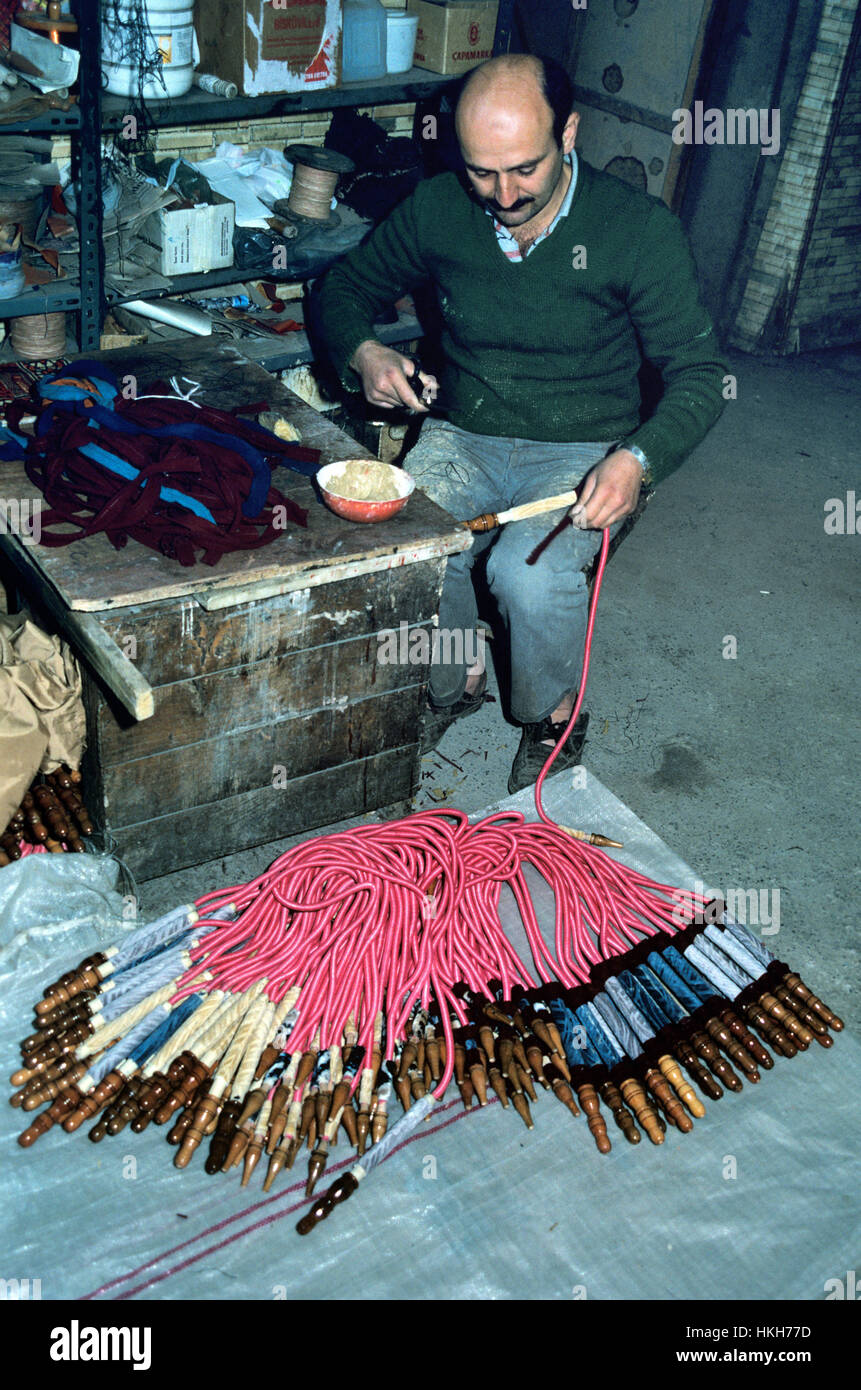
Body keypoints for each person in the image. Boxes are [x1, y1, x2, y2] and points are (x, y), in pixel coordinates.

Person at [318, 53, 726, 794]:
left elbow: (701, 375)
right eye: (481, 171)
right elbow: (343, 288)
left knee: (524, 574)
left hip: (583, 447)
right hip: (463, 432)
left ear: (568, 132)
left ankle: (554, 717)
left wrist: (637, 459)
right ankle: (453, 683)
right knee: (407, 541)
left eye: (523, 169)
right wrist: (366, 350)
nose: (503, 195)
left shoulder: (636, 230)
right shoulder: (440, 208)